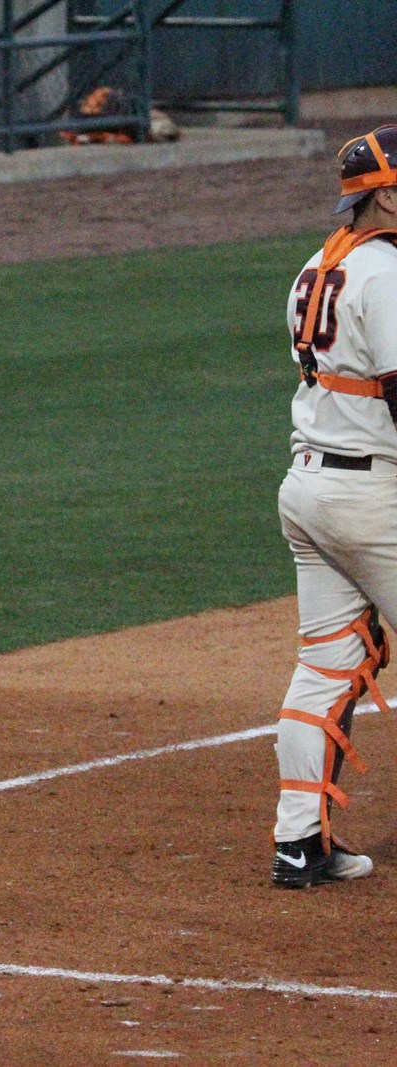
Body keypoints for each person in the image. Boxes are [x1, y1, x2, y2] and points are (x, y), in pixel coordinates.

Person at [271, 124, 397, 889]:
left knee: (325, 665)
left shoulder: (316, 266)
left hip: (309, 490)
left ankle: (300, 845)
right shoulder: (386, 273)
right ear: (383, 194)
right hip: (367, 494)